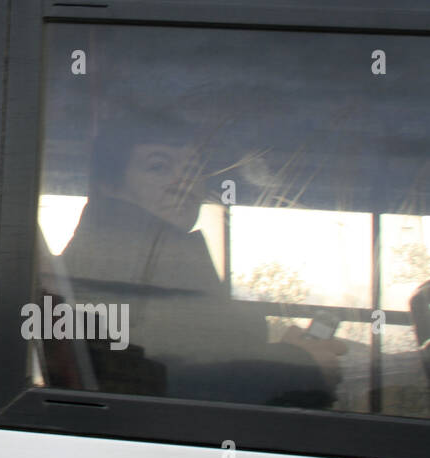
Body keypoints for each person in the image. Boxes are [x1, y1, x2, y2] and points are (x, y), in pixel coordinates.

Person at [59, 113, 345, 407]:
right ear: (108, 185)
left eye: (194, 169)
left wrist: (283, 348)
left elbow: (199, 348)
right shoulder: (115, 255)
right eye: (158, 167)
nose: (183, 182)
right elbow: (168, 370)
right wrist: (300, 365)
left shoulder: (148, 252)